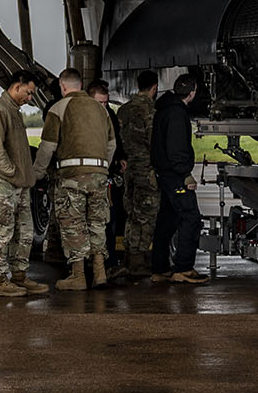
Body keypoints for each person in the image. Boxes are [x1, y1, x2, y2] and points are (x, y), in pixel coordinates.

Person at [34, 67, 117, 290]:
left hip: (71, 177)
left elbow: (47, 147)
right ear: (80, 86)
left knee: (73, 223)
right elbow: (112, 145)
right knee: (97, 222)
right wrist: (102, 167)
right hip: (99, 176)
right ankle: (100, 273)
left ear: (63, 86)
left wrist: (37, 173)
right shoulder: (102, 111)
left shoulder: (58, 108)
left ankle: (78, 275)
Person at [0, 70, 49, 298]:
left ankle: (19, 276)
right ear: (17, 86)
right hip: (3, 182)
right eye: (28, 93)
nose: (30, 98)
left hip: (19, 184)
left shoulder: (13, 111)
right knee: (2, 231)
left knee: (25, 232)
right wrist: (10, 171)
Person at [149, 72, 208, 284]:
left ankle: (159, 268)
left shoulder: (164, 109)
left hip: (164, 174)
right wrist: (186, 175)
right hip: (175, 176)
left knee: (167, 220)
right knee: (191, 217)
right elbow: (176, 149)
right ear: (192, 93)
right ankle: (183, 268)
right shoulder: (177, 113)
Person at [114, 70, 160, 279]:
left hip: (127, 170)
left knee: (131, 213)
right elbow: (154, 142)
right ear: (154, 87)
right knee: (146, 216)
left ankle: (128, 257)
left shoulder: (123, 110)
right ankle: (138, 261)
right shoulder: (151, 111)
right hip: (146, 170)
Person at [88, 79, 127, 277]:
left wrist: (119, 159)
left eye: (106, 103)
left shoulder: (108, 115)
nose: (104, 107)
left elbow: (115, 142)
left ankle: (109, 264)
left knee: (109, 221)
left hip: (105, 176)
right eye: (100, 103)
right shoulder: (82, 117)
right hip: (88, 177)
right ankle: (92, 266)